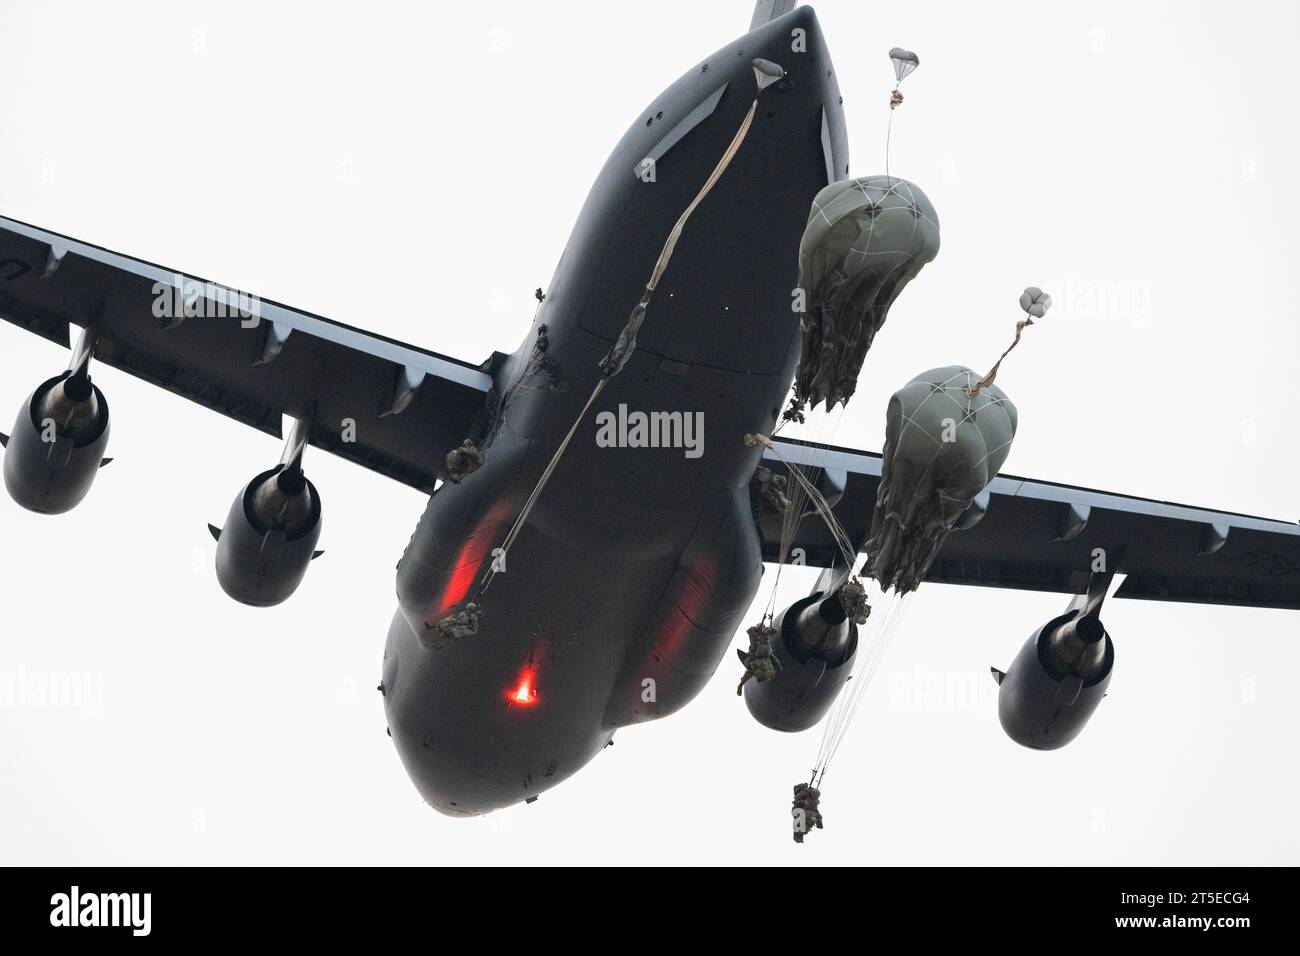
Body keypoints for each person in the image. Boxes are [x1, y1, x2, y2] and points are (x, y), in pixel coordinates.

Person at [736, 623, 780, 695]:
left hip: (765, 657)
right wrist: (756, 628)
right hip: (756, 657)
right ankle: (740, 685)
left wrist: (768, 629)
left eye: (764, 626)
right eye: (762, 627)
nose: (764, 627)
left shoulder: (766, 634)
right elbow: (749, 631)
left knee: (776, 666)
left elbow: (774, 631)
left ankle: (741, 685)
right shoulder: (754, 636)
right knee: (752, 669)